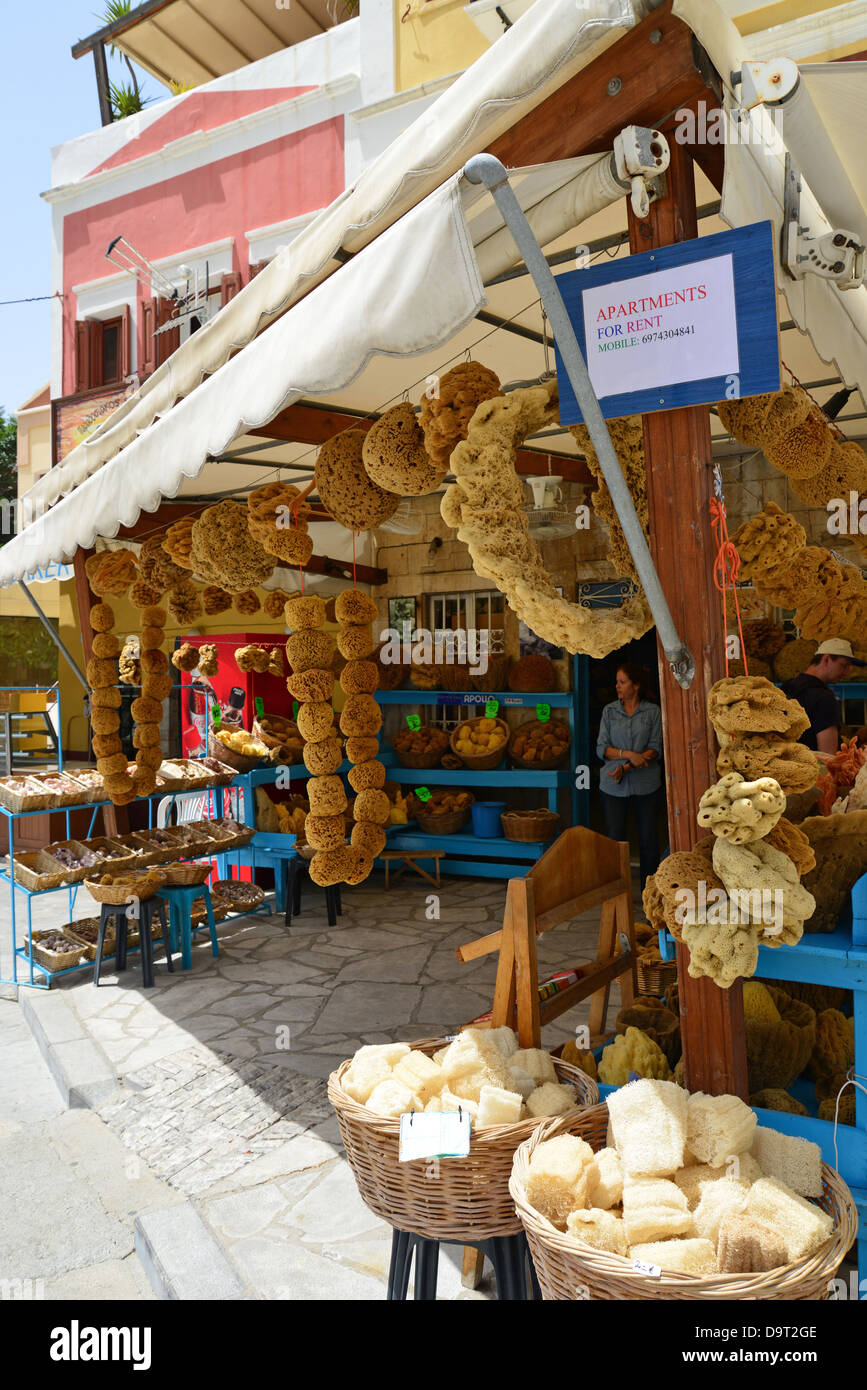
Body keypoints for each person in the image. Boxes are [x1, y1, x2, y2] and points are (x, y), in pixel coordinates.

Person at [596, 663, 663, 887]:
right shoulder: (609, 711)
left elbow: (655, 748)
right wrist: (629, 755)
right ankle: (617, 890)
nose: (617, 686)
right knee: (615, 839)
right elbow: (602, 748)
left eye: (622, 682)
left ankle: (649, 892)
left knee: (648, 839)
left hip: (646, 783)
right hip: (612, 784)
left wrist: (627, 766)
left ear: (636, 686)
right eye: (617, 682)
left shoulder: (652, 712)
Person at [781, 638, 867, 754]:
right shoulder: (823, 698)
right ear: (826, 659)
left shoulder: (787, 687)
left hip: (788, 764)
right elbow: (827, 755)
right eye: (844, 665)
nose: (847, 673)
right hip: (814, 769)